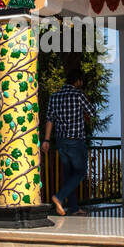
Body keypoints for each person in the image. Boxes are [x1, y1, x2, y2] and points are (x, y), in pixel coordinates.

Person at [42, 64, 96, 216]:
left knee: (68, 174)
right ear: (78, 81)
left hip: (61, 141)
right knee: (80, 172)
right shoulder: (78, 95)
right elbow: (91, 111)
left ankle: (73, 207)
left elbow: (50, 119)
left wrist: (46, 140)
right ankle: (59, 197)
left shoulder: (55, 97)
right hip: (76, 140)